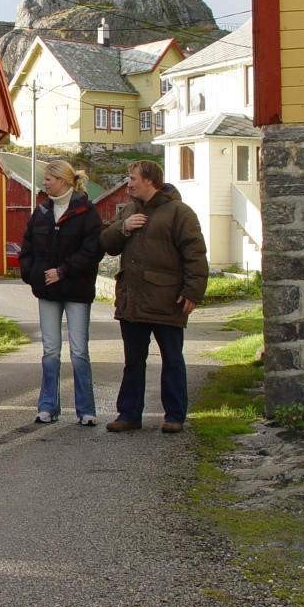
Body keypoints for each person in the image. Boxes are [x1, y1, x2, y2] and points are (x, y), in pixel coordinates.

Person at [100, 159, 207, 434]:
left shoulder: (180, 212)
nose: (129, 183)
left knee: (172, 359)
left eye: (133, 178)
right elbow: (106, 243)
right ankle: (129, 414)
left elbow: (195, 255)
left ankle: (174, 416)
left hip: (168, 300)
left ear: (149, 180)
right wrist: (124, 228)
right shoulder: (128, 211)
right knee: (133, 361)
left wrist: (192, 292)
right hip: (132, 300)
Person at [19, 160, 104, 426]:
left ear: (63, 181)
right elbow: (27, 247)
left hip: (76, 290)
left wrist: (63, 271)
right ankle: (47, 408)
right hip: (47, 292)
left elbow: (93, 251)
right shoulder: (42, 211)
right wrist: (33, 276)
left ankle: (86, 410)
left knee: (79, 351)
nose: (44, 184)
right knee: (50, 351)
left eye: (48, 179)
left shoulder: (86, 212)